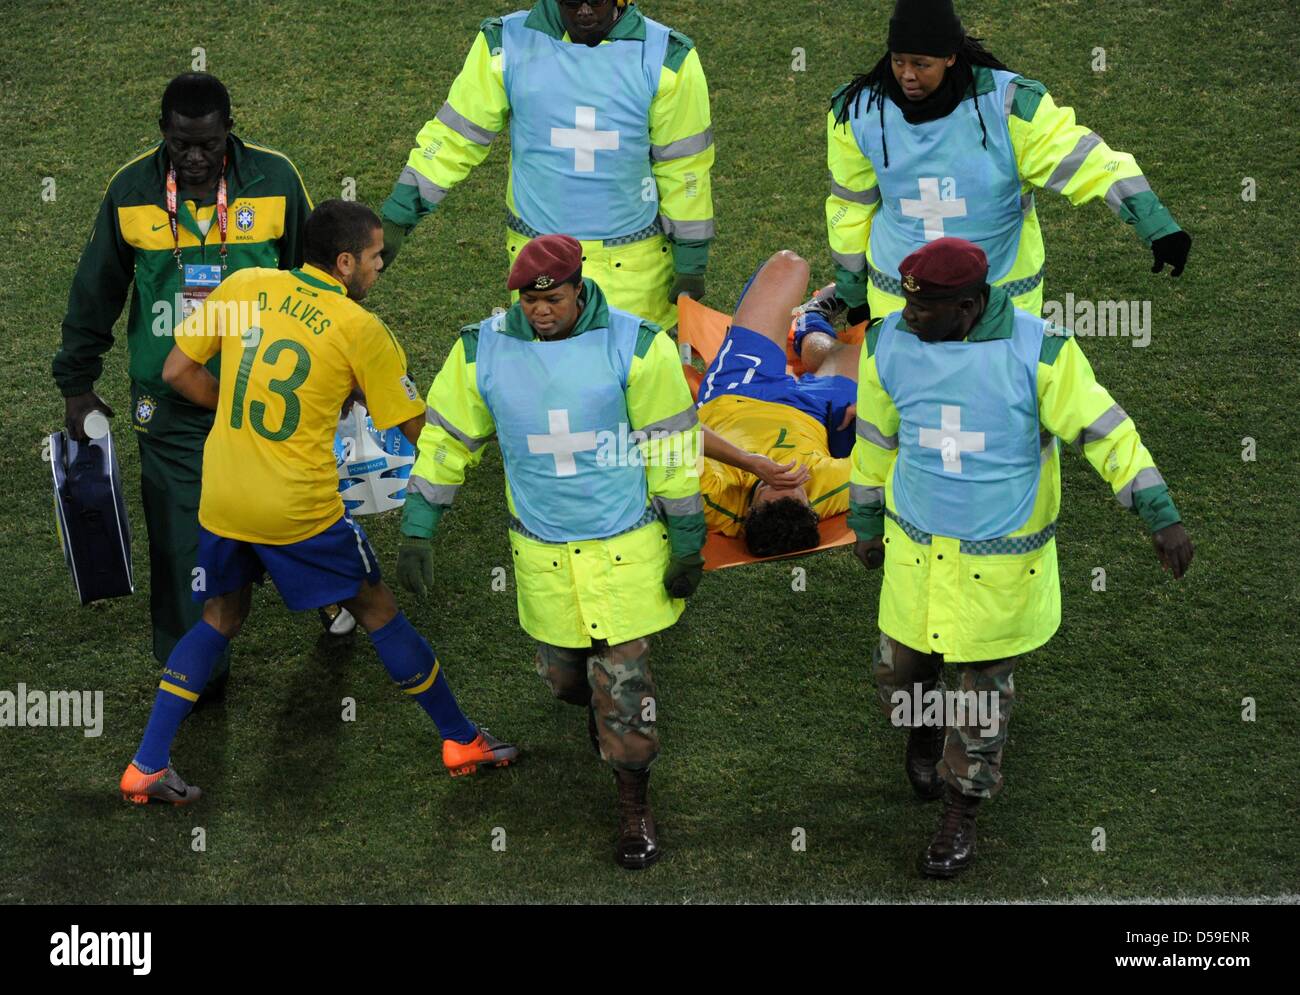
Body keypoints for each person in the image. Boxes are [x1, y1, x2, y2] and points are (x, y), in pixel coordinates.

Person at [117, 201, 518, 805]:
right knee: (378, 608)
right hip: (297, 511)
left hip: (224, 497)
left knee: (220, 619)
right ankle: (461, 739)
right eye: (377, 256)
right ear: (346, 261)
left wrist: (236, 406)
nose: (383, 266)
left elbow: (176, 371)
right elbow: (418, 432)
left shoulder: (245, 283)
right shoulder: (360, 330)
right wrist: (498, 446)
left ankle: (146, 765)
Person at [848, 237, 1193, 878]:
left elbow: (1105, 431)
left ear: (973, 305)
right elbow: (874, 437)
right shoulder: (886, 343)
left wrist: (1159, 513)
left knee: (980, 700)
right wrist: (865, 519)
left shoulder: (1042, 351)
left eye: (927, 310)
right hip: (917, 554)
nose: (909, 317)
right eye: (907, 305)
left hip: (998, 570)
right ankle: (926, 731)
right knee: (899, 674)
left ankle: (960, 815)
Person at [395, 234, 704, 869]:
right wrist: (420, 524)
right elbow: (447, 439)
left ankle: (634, 808)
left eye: (553, 298)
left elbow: (672, 448)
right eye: (529, 300)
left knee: (624, 687)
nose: (540, 310)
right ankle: (602, 714)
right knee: (565, 678)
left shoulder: (638, 346)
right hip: (546, 561)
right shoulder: (480, 351)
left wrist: (688, 539)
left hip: (625, 552)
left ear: (579, 286)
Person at [51, 73, 323, 701]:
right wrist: (76, 384)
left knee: (291, 510)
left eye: (207, 144)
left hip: (262, 394)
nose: (196, 158)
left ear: (230, 128)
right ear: (163, 134)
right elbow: (97, 290)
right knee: (178, 535)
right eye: (181, 145)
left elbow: (314, 279)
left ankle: (332, 596)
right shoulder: (129, 190)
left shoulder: (276, 180)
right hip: (169, 400)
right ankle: (192, 668)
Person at [826, 0, 1191, 324]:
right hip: (903, 303)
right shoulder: (856, 112)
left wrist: (1155, 223)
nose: (907, 74)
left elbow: (1088, 161)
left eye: (921, 64)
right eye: (898, 61)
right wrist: (854, 294)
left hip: (997, 305)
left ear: (951, 56)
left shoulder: (1011, 109)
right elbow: (849, 207)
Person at [379, 0, 714, 331]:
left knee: (630, 382)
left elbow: (685, 168)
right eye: (571, 1)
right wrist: (399, 215)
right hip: (545, 271)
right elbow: (454, 138)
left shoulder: (671, 60)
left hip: (632, 277)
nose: (583, 11)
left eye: (595, 1)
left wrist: (692, 258)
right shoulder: (502, 45)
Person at [695, 254, 860, 558]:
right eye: (795, 483)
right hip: (816, 413)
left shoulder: (714, 501)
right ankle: (812, 322)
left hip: (737, 393)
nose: (782, 473)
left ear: (748, 513)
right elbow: (899, 458)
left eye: (772, 482)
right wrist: (878, 416)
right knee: (869, 357)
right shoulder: (831, 493)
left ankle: (811, 332)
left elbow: (669, 430)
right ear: (812, 507)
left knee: (789, 264)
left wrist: (748, 462)